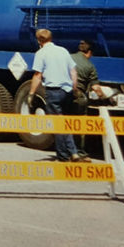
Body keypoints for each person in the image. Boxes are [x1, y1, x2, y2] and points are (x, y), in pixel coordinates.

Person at [29, 29, 89, 162]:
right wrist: (74, 89)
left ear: (39, 41)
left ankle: (66, 155)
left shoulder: (41, 53)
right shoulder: (63, 51)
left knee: (58, 125)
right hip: (67, 91)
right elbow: (73, 72)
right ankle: (71, 153)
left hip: (53, 92)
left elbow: (38, 75)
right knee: (65, 123)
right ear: (51, 38)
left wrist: (31, 93)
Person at [69, 40, 104, 156]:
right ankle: (79, 151)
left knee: (65, 122)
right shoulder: (89, 66)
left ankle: (66, 150)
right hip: (78, 96)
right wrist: (102, 96)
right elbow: (95, 87)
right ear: (89, 52)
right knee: (79, 124)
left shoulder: (69, 57)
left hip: (65, 94)